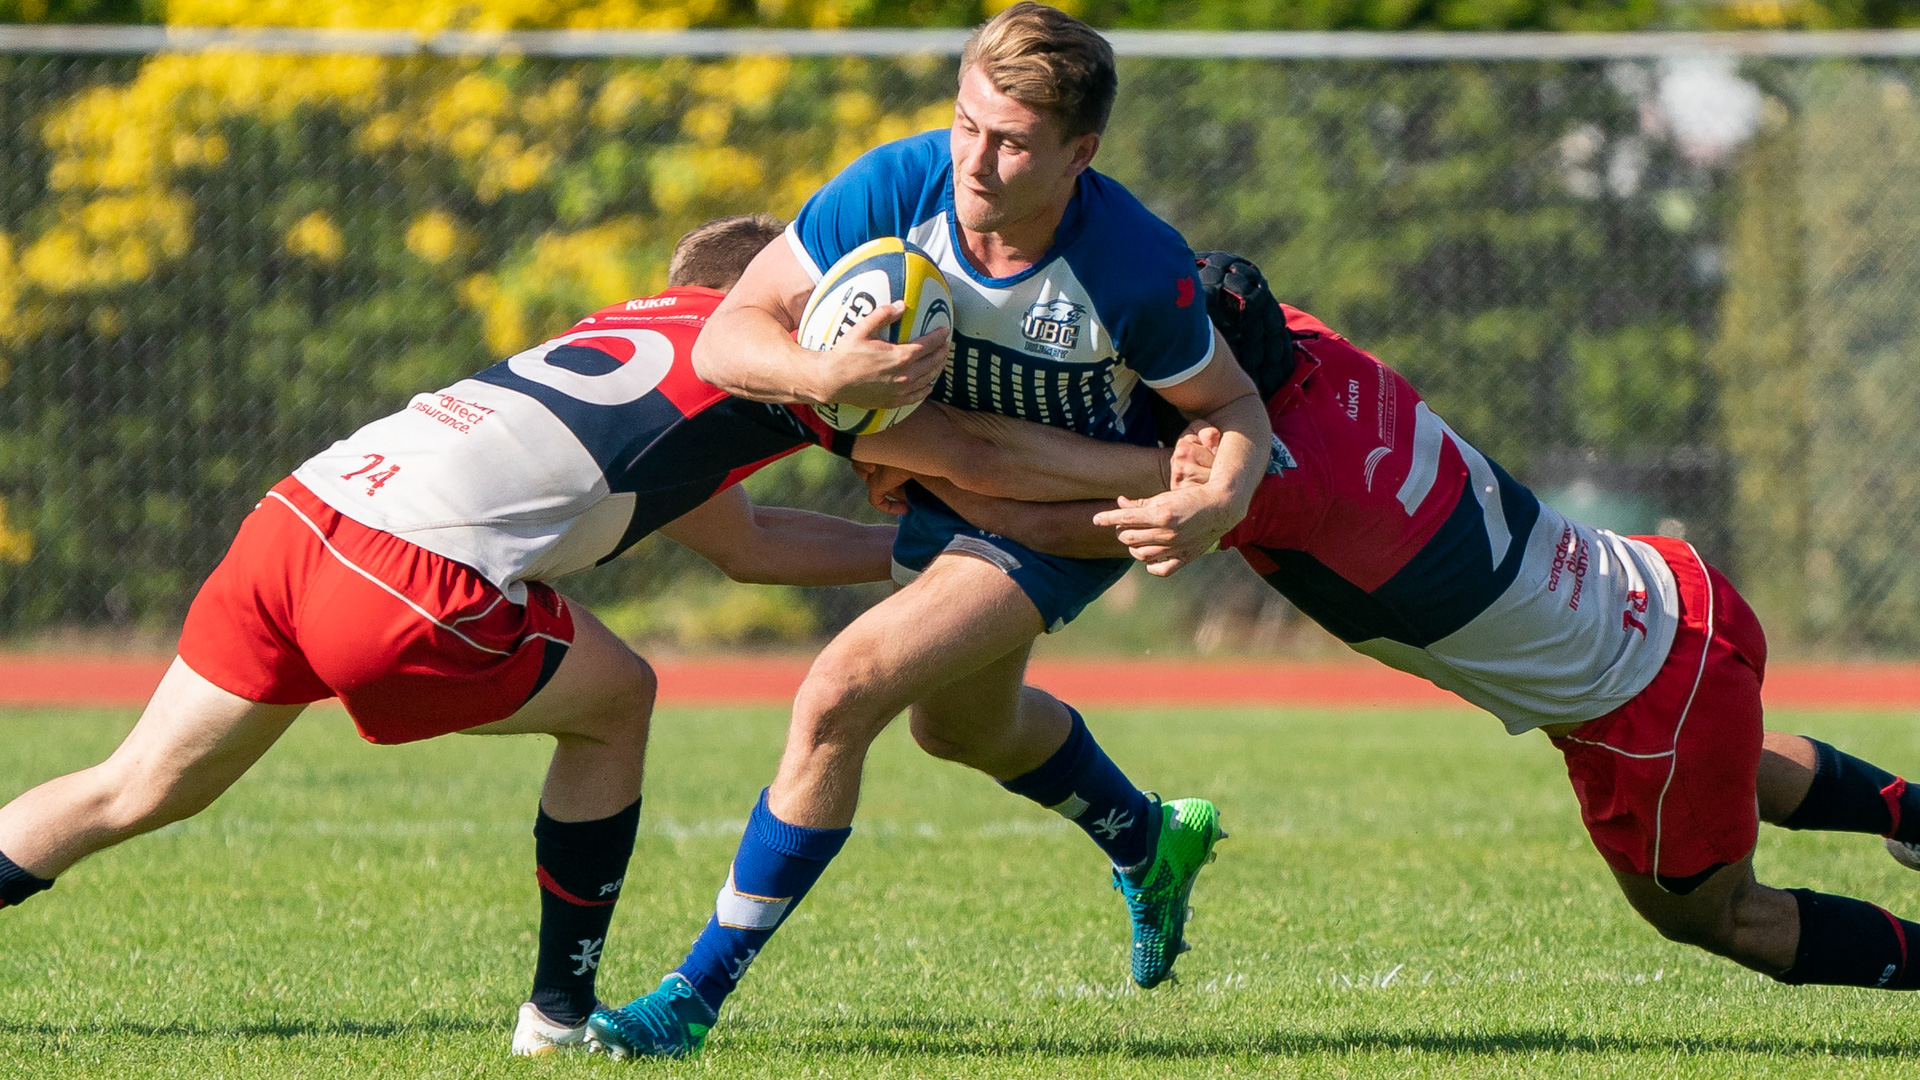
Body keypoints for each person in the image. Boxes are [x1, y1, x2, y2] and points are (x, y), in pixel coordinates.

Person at [0, 213, 1148, 1058]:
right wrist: (1160, 489)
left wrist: (918, 557)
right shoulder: (785, 358)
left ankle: (557, 1010)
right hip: (404, 572)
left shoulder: (642, 331)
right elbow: (982, 468)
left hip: (297, 519)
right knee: (620, 701)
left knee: (133, 786)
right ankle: (556, 1016)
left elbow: (747, 545)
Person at [926, 250, 1920, 998]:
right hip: (1671, 595)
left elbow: (1039, 520)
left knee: (1713, 918)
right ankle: (1911, 813)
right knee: (1727, 753)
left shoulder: (1260, 484)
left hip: (1644, 703)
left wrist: (916, 448)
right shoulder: (1301, 338)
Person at [586, 3, 1271, 1059]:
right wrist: (824, 375)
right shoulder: (893, 187)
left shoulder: (1134, 265)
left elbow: (1230, 411)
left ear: (1079, 154)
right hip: (958, 484)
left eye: (1012, 142)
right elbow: (727, 334)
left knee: (839, 692)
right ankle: (1148, 837)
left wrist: (1215, 498)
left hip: (1054, 520)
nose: (977, 160)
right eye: (966, 123)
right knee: (959, 730)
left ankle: (687, 1002)